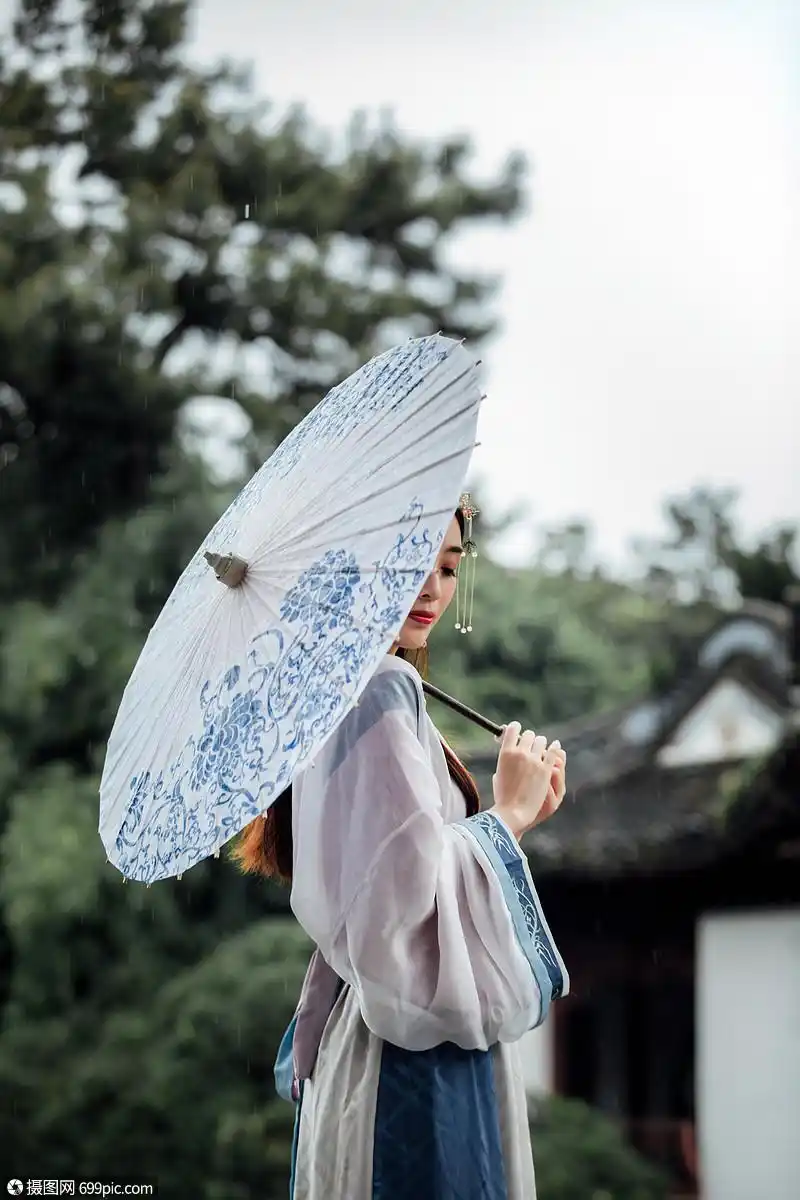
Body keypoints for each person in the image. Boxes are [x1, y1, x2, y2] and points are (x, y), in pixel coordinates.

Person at [235, 502, 569, 1199]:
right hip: (410, 1042)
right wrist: (505, 816)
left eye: (448, 567)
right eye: (413, 559)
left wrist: (513, 821)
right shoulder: (380, 689)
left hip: (379, 1028)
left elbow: (394, 871)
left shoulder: (334, 692)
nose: (432, 589)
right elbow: (400, 898)